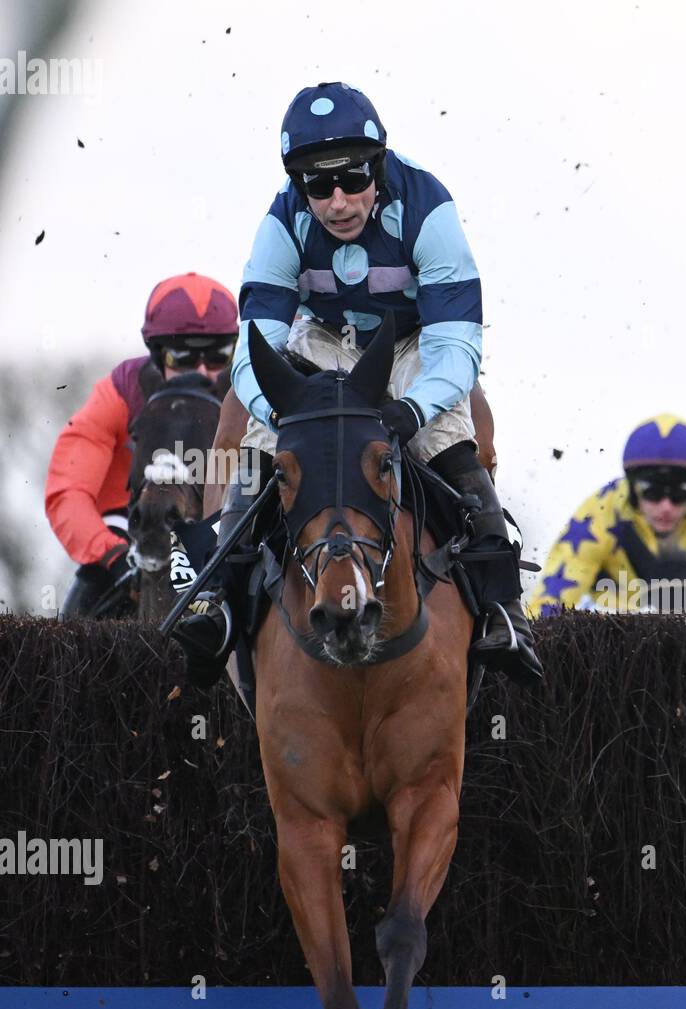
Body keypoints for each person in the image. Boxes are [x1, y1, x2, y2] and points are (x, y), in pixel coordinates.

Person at [173, 81, 541, 685]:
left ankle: (505, 608)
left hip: (413, 343)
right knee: (263, 445)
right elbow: (254, 350)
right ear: (299, 186)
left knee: (447, 443)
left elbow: (457, 347)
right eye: (318, 187)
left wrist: (414, 412)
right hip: (323, 340)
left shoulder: (430, 209)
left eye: (351, 180)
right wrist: (280, 411)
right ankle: (217, 600)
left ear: (379, 166)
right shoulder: (281, 222)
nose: (337, 202)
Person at [45, 273, 238, 617]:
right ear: (157, 352)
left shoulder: (246, 390)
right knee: (86, 597)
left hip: (224, 524)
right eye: (183, 356)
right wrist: (112, 556)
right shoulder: (120, 393)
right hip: (133, 528)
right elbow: (68, 491)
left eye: (219, 355)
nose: (204, 371)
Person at [526, 415, 686, 617]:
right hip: (616, 636)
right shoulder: (600, 512)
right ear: (632, 487)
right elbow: (551, 600)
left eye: (679, 494)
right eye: (652, 493)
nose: (666, 507)